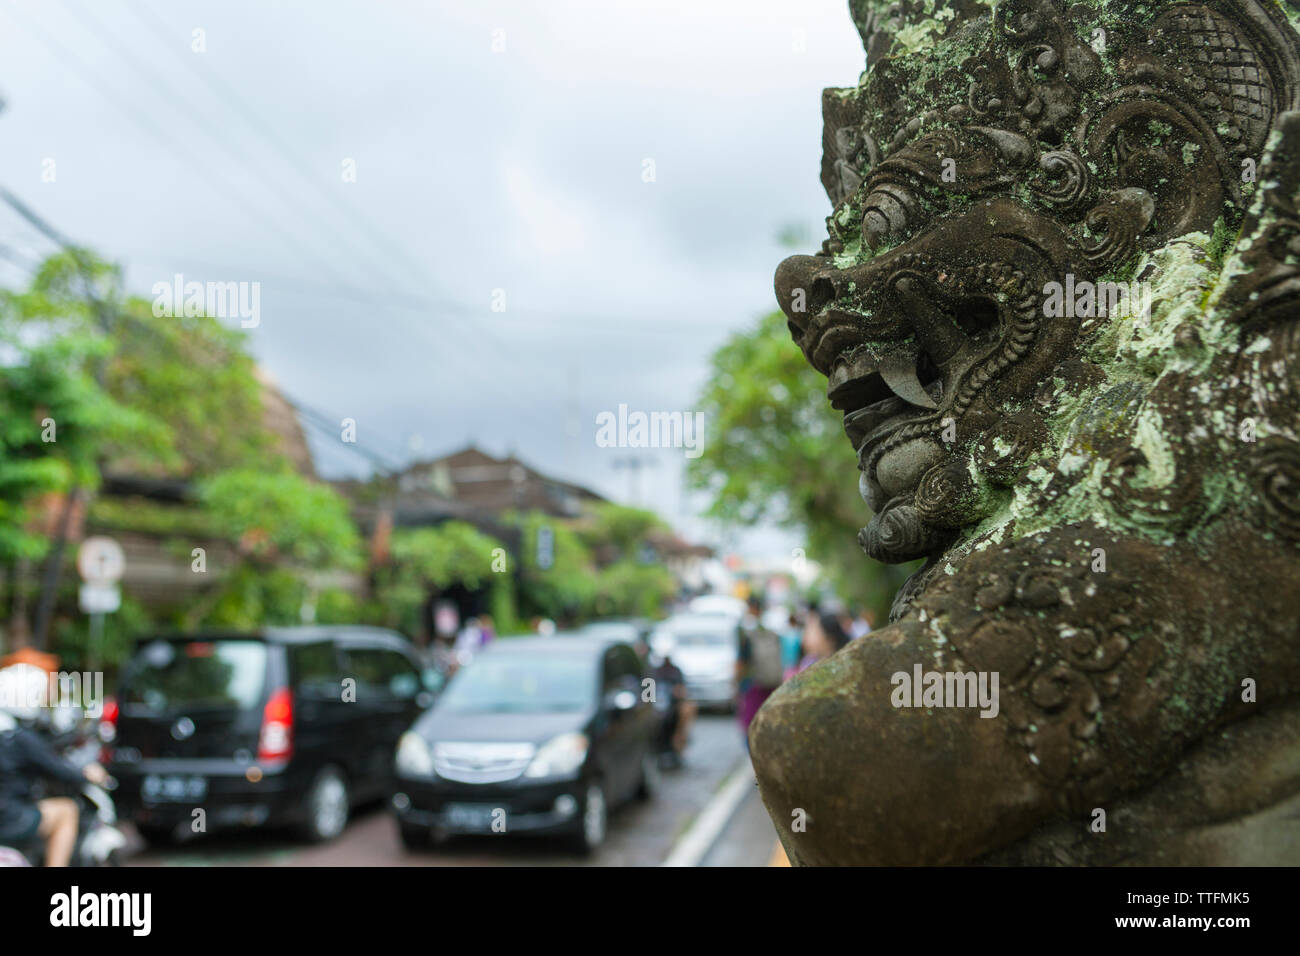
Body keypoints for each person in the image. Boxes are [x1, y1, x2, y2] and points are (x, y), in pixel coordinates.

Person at [0, 669, 108, 867]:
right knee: (67, 810)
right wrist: (87, 773)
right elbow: (58, 769)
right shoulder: (19, 737)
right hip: (9, 819)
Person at [735, 596, 784, 747]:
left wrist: (736, 683)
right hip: (771, 684)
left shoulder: (745, 630)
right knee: (768, 723)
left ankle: (753, 759)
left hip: (752, 684)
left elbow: (741, 662)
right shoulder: (770, 631)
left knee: (750, 725)